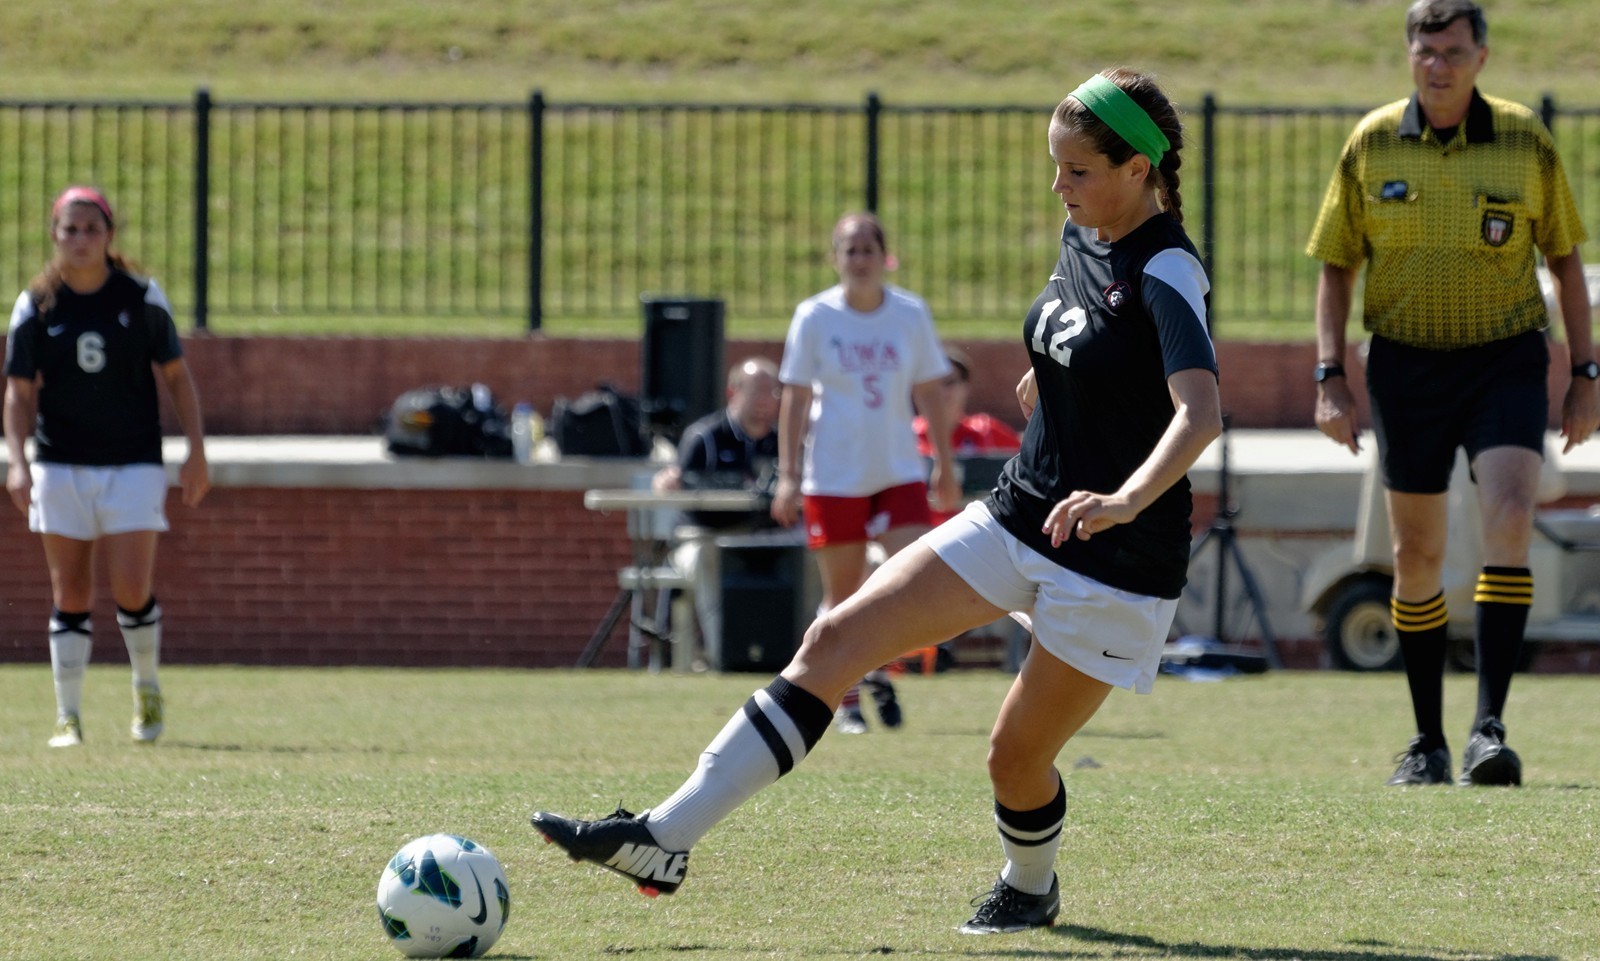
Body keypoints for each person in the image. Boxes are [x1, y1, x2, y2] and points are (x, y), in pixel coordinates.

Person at [531, 67, 1220, 934]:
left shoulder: (1167, 266)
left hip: (1116, 556)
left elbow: (1200, 413)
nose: (1059, 185)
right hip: (1020, 511)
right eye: (1055, 166)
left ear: (1137, 168)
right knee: (834, 639)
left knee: (1013, 760)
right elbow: (1086, 332)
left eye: (1077, 170)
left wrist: (1123, 497)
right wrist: (1050, 379)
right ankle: (663, 838)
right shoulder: (1082, 231)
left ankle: (1030, 884)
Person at [1307, 0, 1598, 788]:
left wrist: (1584, 375)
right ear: (1410, 54)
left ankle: (1488, 730)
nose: (1438, 65)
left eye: (1454, 51)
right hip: (1405, 366)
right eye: (1426, 50)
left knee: (1510, 515)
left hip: (1506, 358)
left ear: (1482, 58)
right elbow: (1336, 266)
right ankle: (1427, 740)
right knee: (1416, 552)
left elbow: (1566, 260)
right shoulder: (1371, 141)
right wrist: (1330, 377)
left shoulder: (1524, 139)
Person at [4, 185, 210, 748]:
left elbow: (176, 376)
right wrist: (18, 462)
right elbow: (18, 390)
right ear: (54, 235)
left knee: (131, 588)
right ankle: (67, 716)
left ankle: (146, 687)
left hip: (132, 462)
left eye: (91, 229)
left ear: (109, 235)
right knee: (70, 592)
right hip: (60, 463)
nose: (80, 239)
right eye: (70, 229)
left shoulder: (140, 297)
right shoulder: (37, 303)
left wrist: (196, 449)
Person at [768, 211, 959, 733]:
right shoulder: (815, 316)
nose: (859, 260)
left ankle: (871, 667)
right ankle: (848, 698)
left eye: (867, 250)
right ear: (835, 258)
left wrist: (943, 464)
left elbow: (930, 391)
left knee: (911, 582)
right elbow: (795, 397)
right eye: (849, 250)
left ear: (884, 257)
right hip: (835, 472)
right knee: (843, 594)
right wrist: (789, 474)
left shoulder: (909, 313)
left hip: (897, 468)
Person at [650, 357, 782, 664]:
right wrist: (667, 483)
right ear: (733, 392)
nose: (766, 400)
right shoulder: (705, 437)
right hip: (701, 538)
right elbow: (673, 485)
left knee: (809, 554)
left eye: (773, 391)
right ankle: (725, 657)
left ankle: (798, 659)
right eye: (757, 391)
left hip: (763, 540)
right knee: (708, 556)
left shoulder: (783, 442)